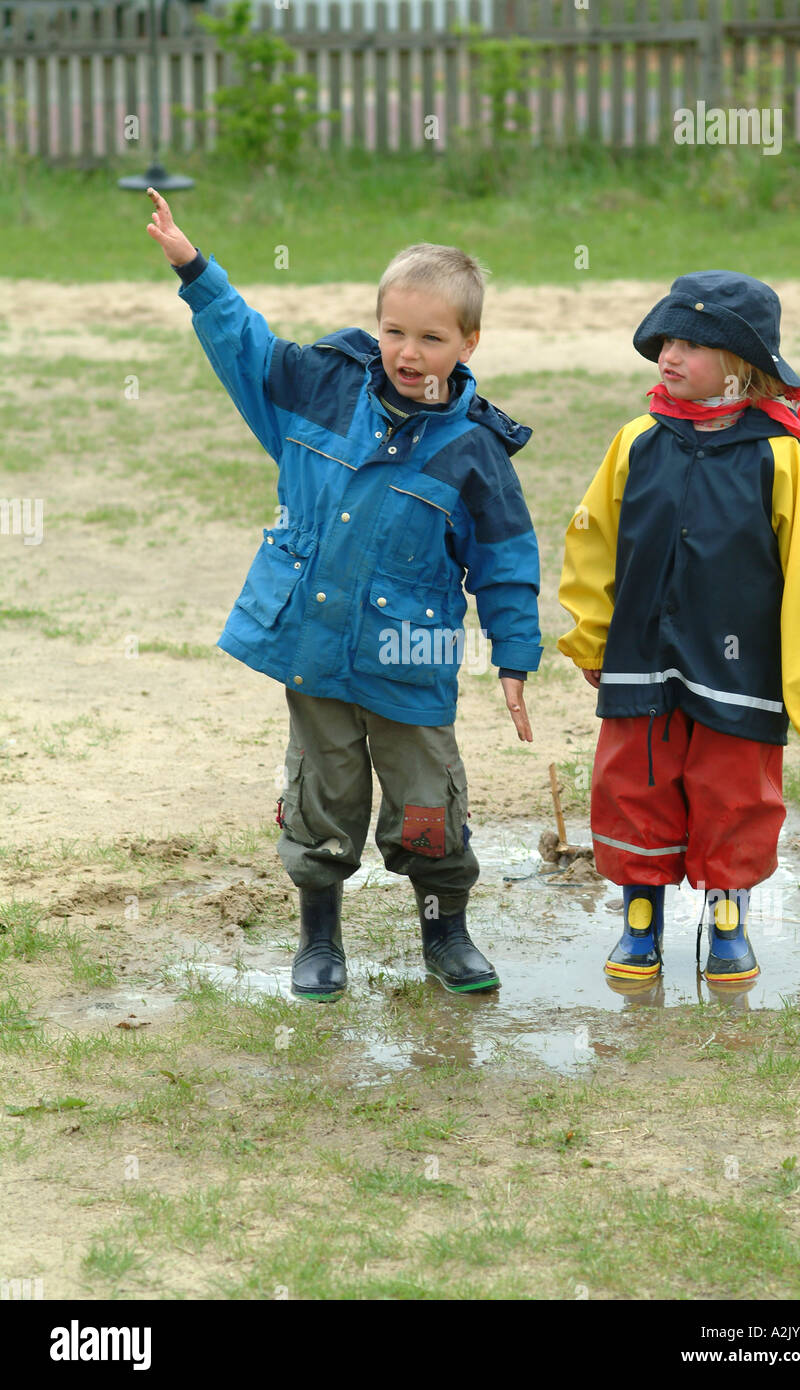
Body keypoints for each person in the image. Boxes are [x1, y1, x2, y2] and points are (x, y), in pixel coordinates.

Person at [145, 188, 542, 1001]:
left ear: (469, 342)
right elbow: (245, 350)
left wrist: (515, 655)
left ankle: (447, 932)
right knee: (321, 796)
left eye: (432, 337)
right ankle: (319, 939)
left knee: (426, 805)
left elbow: (505, 560)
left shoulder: (474, 450)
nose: (408, 350)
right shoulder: (318, 390)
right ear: (378, 325)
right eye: (395, 330)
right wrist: (197, 272)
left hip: (413, 656)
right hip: (314, 647)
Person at [558, 269, 800, 990]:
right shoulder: (636, 441)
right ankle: (640, 916)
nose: (669, 355)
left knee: (734, 792)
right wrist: (592, 635)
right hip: (642, 659)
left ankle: (728, 913)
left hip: (739, 667)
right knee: (634, 784)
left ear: (740, 367)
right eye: (666, 340)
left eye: (691, 344)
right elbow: (593, 541)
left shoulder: (776, 455)